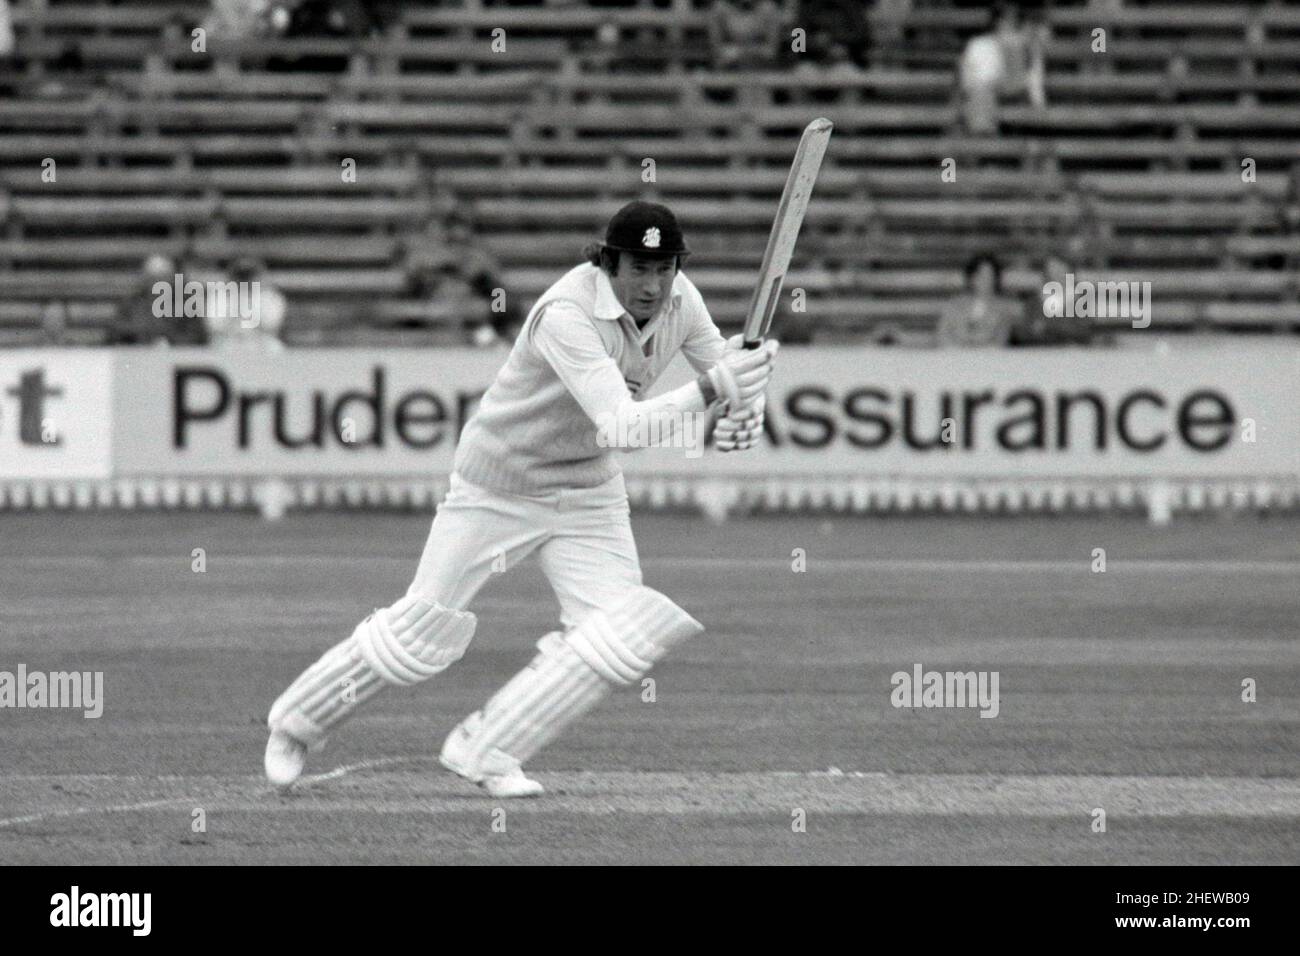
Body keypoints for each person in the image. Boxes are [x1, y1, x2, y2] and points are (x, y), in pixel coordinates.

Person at [264, 201, 779, 797]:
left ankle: (486, 750)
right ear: (609, 262)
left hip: (587, 488)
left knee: (617, 633)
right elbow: (625, 428)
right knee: (420, 632)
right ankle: (296, 724)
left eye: (664, 268)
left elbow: (724, 369)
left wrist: (750, 379)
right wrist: (716, 389)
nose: (654, 284)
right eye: (639, 267)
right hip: (498, 482)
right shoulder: (566, 313)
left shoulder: (682, 300)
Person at [958, 3, 1047, 134]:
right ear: (996, 22)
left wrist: (1037, 101)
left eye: (1011, 21)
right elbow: (967, 78)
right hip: (982, 94)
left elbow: (1032, 78)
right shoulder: (979, 44)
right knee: (980, 92)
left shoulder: (1025, 44)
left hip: (1014, 92)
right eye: (1004, 20)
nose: (1006, 24)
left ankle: (983, 136)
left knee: (983, 92)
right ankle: (982, 136)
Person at [936, 253, 1018, 348]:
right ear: (971, 278)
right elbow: (942, 336)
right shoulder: (954, 306)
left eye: (990, 276)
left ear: (996, 279)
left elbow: (1001, 340)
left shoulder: (1003, 309)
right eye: (981, 275)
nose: (986, 280)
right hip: (956, 358)